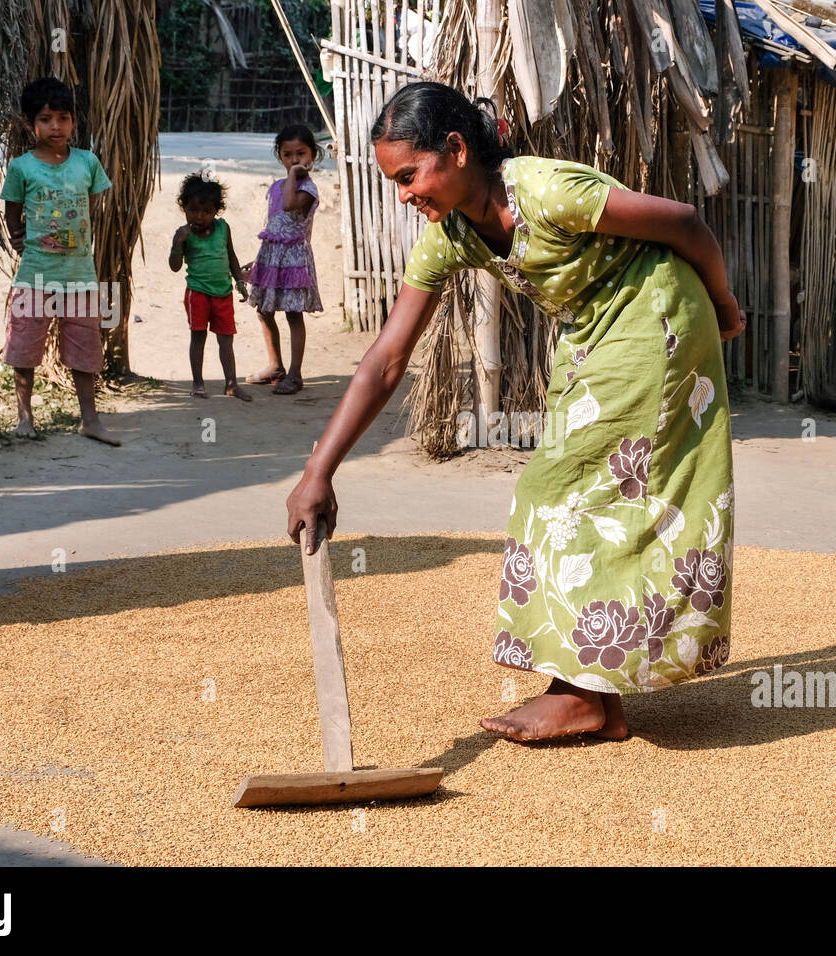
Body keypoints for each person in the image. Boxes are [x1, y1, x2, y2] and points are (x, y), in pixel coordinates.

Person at [285, 82, 745, 743]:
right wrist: (318, 470)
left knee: (560, 485)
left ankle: (578, 694)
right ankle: (600, 699)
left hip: (658, 316)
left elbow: (683, 221)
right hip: (593, 334)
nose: (406, 196)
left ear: (457, 149)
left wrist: (723, 303)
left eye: (411, 177)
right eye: (395, 183)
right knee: (585, 493)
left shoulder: (545, 190)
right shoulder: (451, 237)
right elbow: (386, 358)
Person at [0, 76, 119, 445]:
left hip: (80, 275)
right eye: (46, 118)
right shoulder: (22, 167)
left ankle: (90, 420)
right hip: (35, 275)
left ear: (74, 121)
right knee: (24, 347)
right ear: (29, 124)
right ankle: (25, 417)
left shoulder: (87, 162)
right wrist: (21, 238)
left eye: (63, 118)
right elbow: (12, 213)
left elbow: (93, 203)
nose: (56, 126)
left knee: (85, 349)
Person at [242, 124, 324, 395]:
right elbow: (275, 222)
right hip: (273, 255)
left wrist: (292, 175)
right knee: (264, 311)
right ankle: (275, 365)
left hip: (294, 258)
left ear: (314, 155)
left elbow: (289, 204)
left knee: (293, 313)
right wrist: (258, 264)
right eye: (288, 155)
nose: (295, 160)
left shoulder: (307, 188)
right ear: (280, 156)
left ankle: (296, 373)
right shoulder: (277, 186)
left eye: (301, 153)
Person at [169, 173, 251, 401]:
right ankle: (198, 382)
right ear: (184, 208)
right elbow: (175, 267)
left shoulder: (223, 229)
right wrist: (177, 245)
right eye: (193, 210)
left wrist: (240, 282)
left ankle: (231, 383)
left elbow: (232, 257)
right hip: (197, 293)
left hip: (223, 294)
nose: (199, 216)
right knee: (198, 337)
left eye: (206, 211)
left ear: (217, 211)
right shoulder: (184, 235)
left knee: (226, 339)